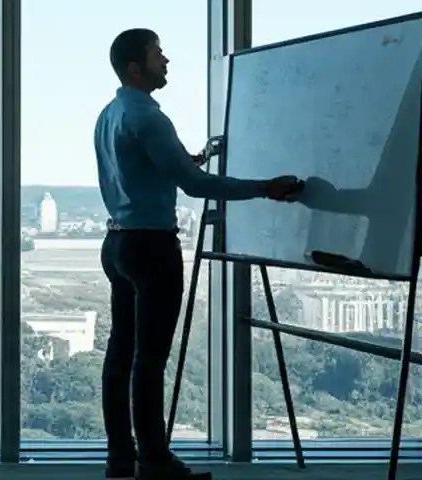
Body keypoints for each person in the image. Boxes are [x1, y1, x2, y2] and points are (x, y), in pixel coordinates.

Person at [94, 29, 303, 480]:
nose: (166, 61)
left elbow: (150, 168)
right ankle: (154, 460)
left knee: (120, 355)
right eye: (157, 54)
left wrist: (194, 157)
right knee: (149, 360)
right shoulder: (149, 116)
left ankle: (121, 457)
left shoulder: (110, 115)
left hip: (118, 244)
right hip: (152, 247)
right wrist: (265, 188)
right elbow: (194, 186)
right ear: (135, 67)